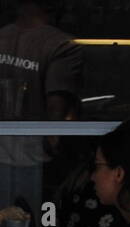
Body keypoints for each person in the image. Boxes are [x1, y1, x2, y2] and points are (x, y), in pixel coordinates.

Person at [0, 0, 82, 207]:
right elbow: (57, 108)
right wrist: (54, 142)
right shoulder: (60, 44)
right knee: (35, 225)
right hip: (34, 158)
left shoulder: (2, 36)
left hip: (9, 153)